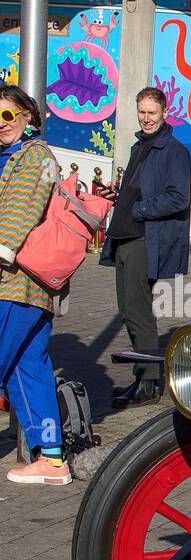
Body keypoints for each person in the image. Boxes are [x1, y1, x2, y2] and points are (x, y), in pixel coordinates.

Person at [99, 87, 191, 409]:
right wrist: (120, 197)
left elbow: (179, 198)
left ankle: (150, 383)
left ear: (164, 112)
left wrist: (137, 209)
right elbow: (139, 189)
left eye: (152, 112)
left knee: (138, 313)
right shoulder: (140, 146)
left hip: (144, 240)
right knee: (129, 311)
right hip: (125, 239)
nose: (146, 118)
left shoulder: (173, 150)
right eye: (142, 112)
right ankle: (142, 377)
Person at [0, 86, 65, 485]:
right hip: (27, 288)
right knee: (28, 368)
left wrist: (3, 249)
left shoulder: (35, 156)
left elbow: (19, 214)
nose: (1, 124)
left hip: (12, 282)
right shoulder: (13, 156)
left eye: (8, 116)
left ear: (28, 117)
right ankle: (52, 460)